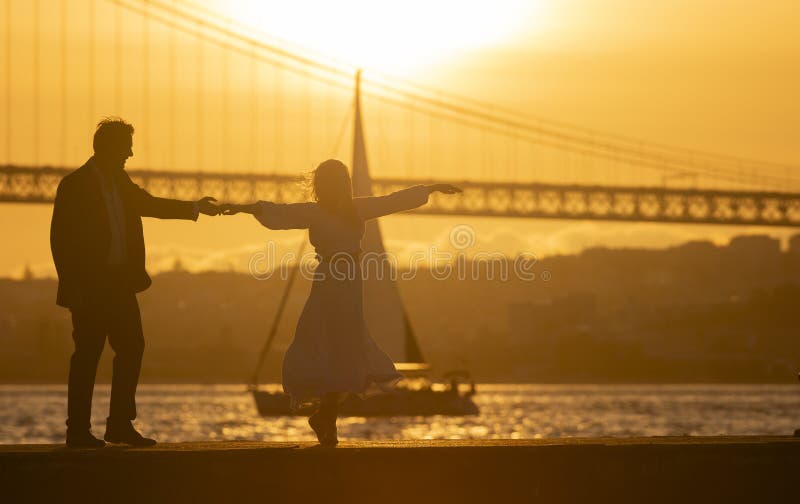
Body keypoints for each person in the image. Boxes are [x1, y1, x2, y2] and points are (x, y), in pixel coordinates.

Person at [221, 159, 461, 446]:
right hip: (328, 281)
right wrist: (240, 207)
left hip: (350, 283)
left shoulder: (357, 208)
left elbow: (392, 201)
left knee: (349, 348)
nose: (336, 187)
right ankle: (326, 417)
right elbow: (279, 213)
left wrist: (430, 188)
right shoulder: (315, 212)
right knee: (326, 343)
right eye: (330, 182)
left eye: (339, 181)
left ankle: (326, 416)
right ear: (322, 186)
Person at [50, 117, 220, 448]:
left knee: (132, 348)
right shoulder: (74, 185)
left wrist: (195, 208)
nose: (131, 152)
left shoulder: (120, 182)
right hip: (90, 288)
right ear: (110, 148)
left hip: (120, 285)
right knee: (87, 355)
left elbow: (150, 204)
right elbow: (60, 241)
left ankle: (119, 425)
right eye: (127, 146)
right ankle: (78, 431)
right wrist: (74, 289)